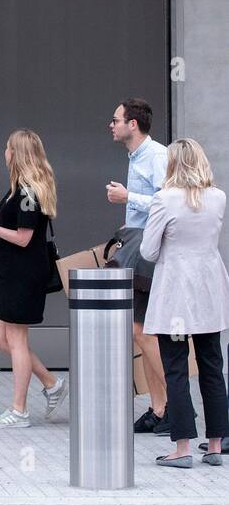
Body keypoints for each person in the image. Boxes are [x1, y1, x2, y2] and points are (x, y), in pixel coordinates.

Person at [139, 139, 229, 468]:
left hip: (176, 294)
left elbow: (148, 251)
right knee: (211, 367)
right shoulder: (218, 198)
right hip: (209, 291)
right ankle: (217, 444)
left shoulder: (164, 199)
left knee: (176, 369)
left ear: (172, 164)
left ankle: (182, 447)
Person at [0, 130, 66, 428]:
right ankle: (52, 383)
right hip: (10, 273)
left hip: (23, 274)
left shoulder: (28, 191)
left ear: (18, 153)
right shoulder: (19, 188)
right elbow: (16, 225)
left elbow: (24, 238)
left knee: (15, 340)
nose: (5, 152)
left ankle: (19, 411)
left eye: (8, 147)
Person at [107, 97, 171, 433]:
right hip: (137, 244)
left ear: (133, 124)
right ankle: (159, 408)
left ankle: (175, 403)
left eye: (116, 119)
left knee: (141, 330)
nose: (111, 124)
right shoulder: (136, 156)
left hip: (150, 248)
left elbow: (167, 200)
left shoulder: (157, 155)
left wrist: (128, 197)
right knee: (139, 330)